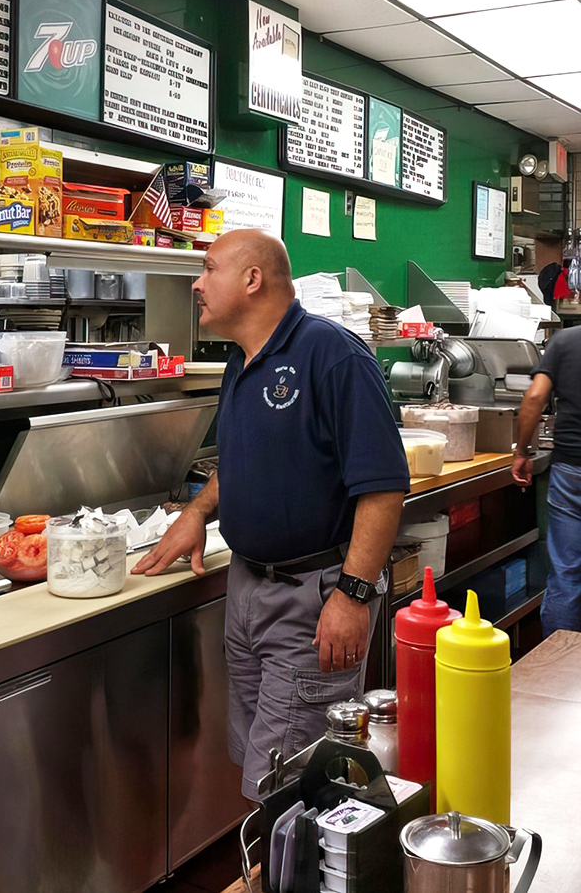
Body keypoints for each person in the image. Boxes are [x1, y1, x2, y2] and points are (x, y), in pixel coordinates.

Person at [132, 229, 410, 800]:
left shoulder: (334, 357)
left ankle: (300, 855)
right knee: (261, 763)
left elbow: (384, 489)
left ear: (252, 279)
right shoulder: (242, 360)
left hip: (313, 597)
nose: (197, 284)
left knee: (290, 781)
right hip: (247, 588)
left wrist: (353, 595)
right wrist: (197, 511)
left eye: (209, 269)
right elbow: (242, 458)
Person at [512, 327, 581, 636]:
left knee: (566, 576)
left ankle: (560, 663)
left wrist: (522, 452)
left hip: (571, 472)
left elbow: (535, 396)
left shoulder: (565, 341)